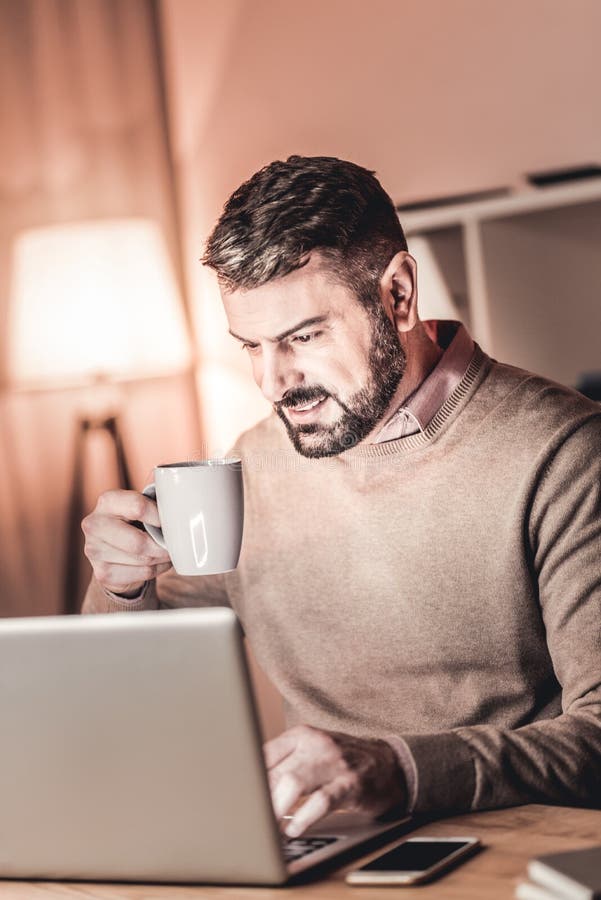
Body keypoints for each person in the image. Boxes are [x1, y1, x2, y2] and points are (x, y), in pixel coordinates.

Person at [82, 155, 601, 839]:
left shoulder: (563, 451)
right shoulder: (250, 462)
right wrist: (121, 589)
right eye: (251, 346)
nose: (272, 381)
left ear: (399, 294)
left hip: (514, 848)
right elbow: (127, 690)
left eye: (303, 337)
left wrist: (399, 770)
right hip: (322, 850)